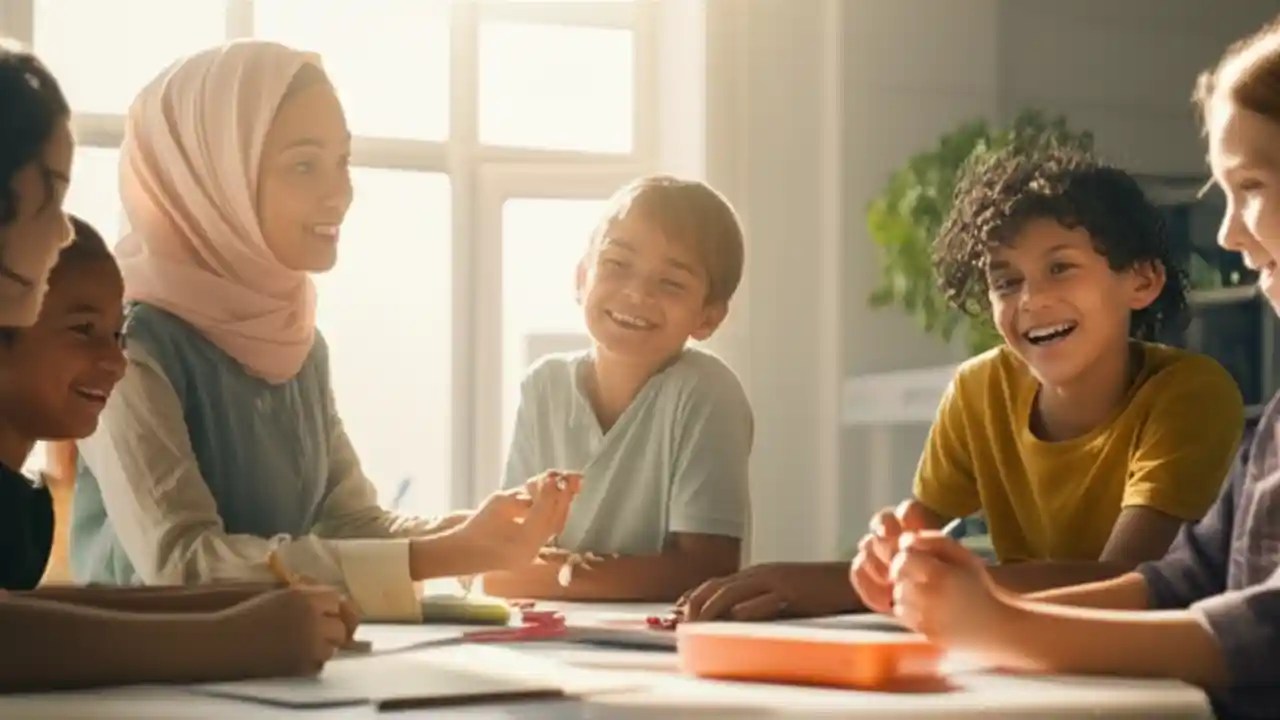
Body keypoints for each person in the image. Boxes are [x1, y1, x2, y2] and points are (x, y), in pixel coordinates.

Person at [68, 41, 577, 622]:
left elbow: (352, 523)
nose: (341, 193)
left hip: (274, 653)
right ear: (215, 178)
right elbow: (183, 564)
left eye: (343, 161)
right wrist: (447, 551)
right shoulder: (127, 348)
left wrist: (487, 529)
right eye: (304, 166)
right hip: (145, 661)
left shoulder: (295, 342)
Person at [889, 17, 1280, 720]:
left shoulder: (1189, 393)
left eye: (1249, 184)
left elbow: (1264, 633)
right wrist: (965, 610)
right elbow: (1185, 579)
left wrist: (1003, 624)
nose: (1226, 233)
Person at [684, 143, 1243, 621]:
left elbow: (1126, 582)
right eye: (1007, 281)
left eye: (1060, 268)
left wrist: (841, 586)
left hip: (1157, 678)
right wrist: (876, 562)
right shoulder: (979, 389)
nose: (1032, 300)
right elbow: (910, 544)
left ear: (1142, 280)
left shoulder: (1191, 394)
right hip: (1024, 655)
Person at [482, 176, 751, 601]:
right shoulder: (544, 386)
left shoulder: (707, 393)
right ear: (581, 277)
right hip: (549, 628)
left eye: (671, 283)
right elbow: (502, 556)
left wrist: (550, 572)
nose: (637, 293)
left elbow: (704, 570)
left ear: (708, 317)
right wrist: (526, 571)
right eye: (616, 264)